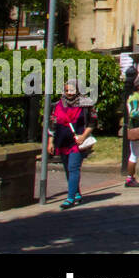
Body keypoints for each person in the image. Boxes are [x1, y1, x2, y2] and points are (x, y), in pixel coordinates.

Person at [50, 80, 95, 209]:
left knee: (73, 168)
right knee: (67, 168)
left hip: (77, 141)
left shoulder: (86, 104)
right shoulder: (57, 105)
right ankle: (76, 194)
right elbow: (52, 124)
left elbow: (92, 123)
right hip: (62, 140)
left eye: (72, 90)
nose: (69, 93)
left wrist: (83, 136)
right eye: (66, 90)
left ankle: (70, 198)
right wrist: (50, 142)